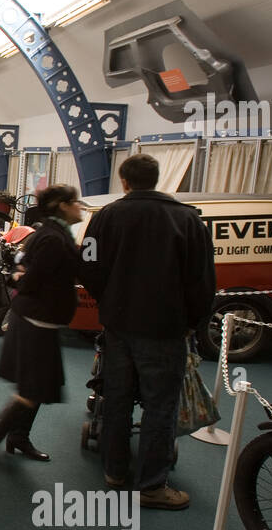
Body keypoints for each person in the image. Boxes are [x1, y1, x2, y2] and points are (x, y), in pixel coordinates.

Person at [83, 153, 215, 510]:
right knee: (160, 405)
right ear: (157, 180)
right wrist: (192, 321)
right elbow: (203, 280)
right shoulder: (188, 220)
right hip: (165, 329)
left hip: (118, 326)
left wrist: (109, 300)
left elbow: (88, 265)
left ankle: (114, 470)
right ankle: (152, 485)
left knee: (117, 398)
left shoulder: (104, 218)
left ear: (124, 182)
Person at [0, 185, 85, 461]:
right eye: (75, 202)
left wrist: (22, 275)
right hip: (36, 321)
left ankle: (17, 438)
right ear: (61, 205)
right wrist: (23, 277)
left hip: (40, 320)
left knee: (39, 387)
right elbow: (29, 278)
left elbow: (21, 271)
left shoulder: (51, 235)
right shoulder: (52, 238)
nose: (80, 206)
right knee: (33, 389)